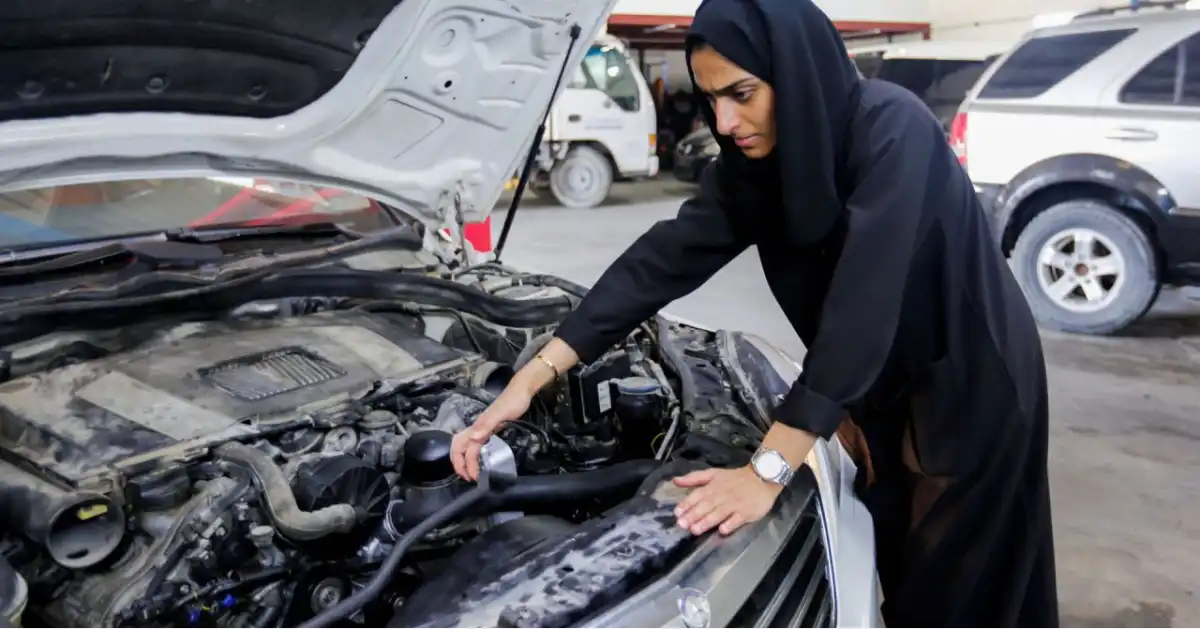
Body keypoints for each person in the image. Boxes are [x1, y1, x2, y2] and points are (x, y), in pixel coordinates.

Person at [450, 0, 1060, 625]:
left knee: (965, 589)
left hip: (970, 384)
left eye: (742, 92)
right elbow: (658, 262)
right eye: (711, 98)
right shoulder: (755, 170)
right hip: (877, 387)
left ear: (793, 73)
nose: (725, 119)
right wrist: (536, 374)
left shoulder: (891, 130)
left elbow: (864, 304)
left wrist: (767, 470)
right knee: (904, 570)